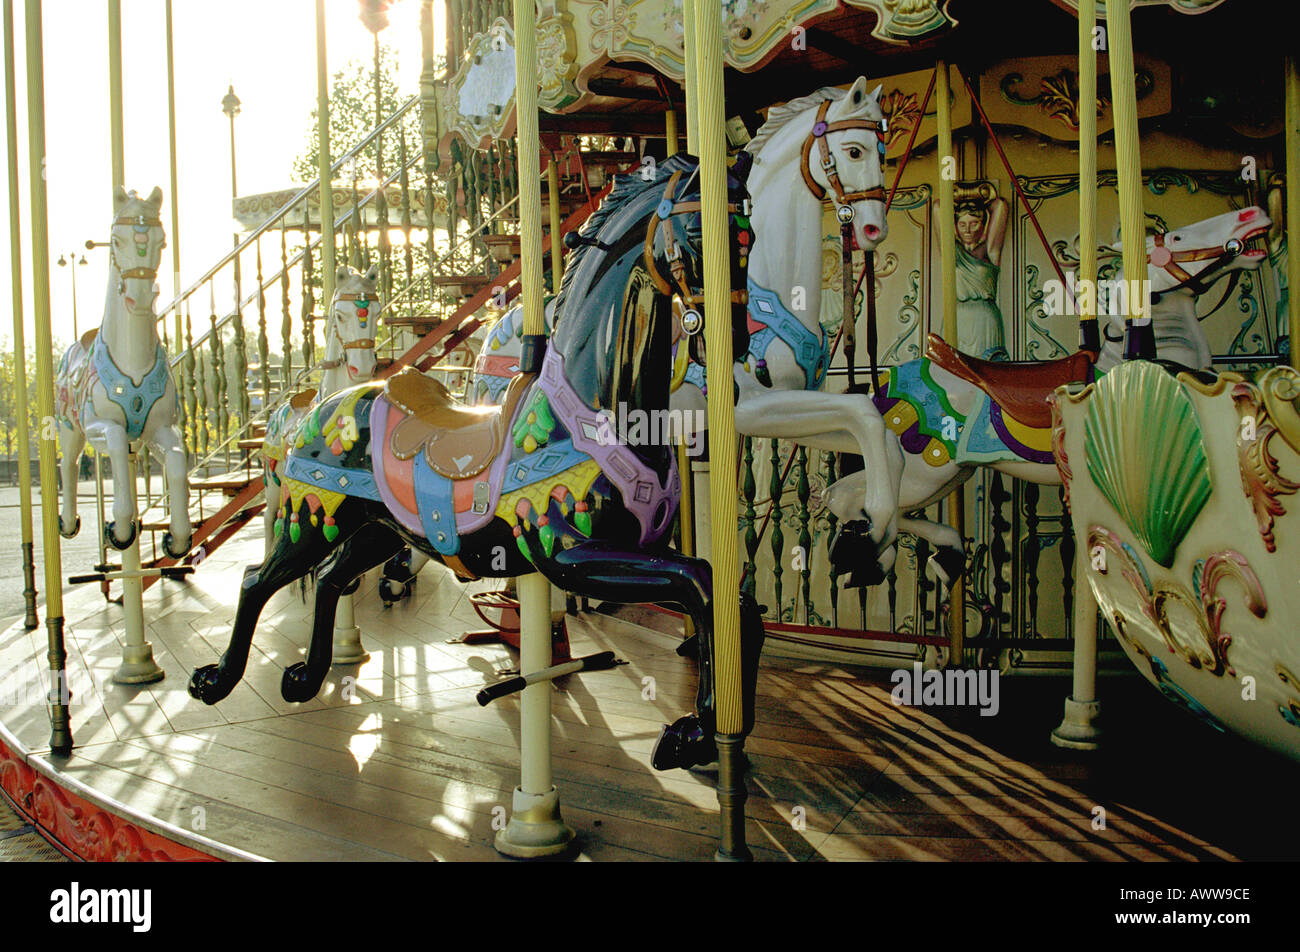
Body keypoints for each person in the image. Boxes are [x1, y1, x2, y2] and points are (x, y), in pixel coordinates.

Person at [953, 193, 1010, 360]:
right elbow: (937, 207)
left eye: (974, 223)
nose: (968, 230)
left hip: (984, 316)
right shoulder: (953, 251)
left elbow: (1000, 206)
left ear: (983, 225)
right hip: (958, 315)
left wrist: (978, 199)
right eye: (962, 224)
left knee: (988, 364)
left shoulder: (990, 251)